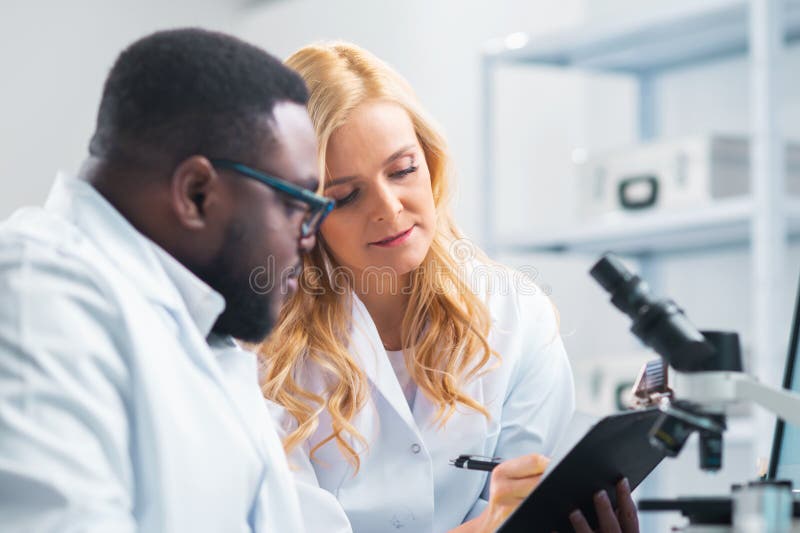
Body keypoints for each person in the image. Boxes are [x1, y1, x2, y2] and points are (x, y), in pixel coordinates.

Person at [258, 42, 639, 533]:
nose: (390, 208)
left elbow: (525, 510)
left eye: (402, 170)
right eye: (346, 196)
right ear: (300, 212)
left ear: (430, 162)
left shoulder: (515, 315)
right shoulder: (260, 348)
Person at [0, 28, 333, 531]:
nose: (308, 239)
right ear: (196, 193)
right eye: (296, 206)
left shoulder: (199, 322)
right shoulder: (37, 298)